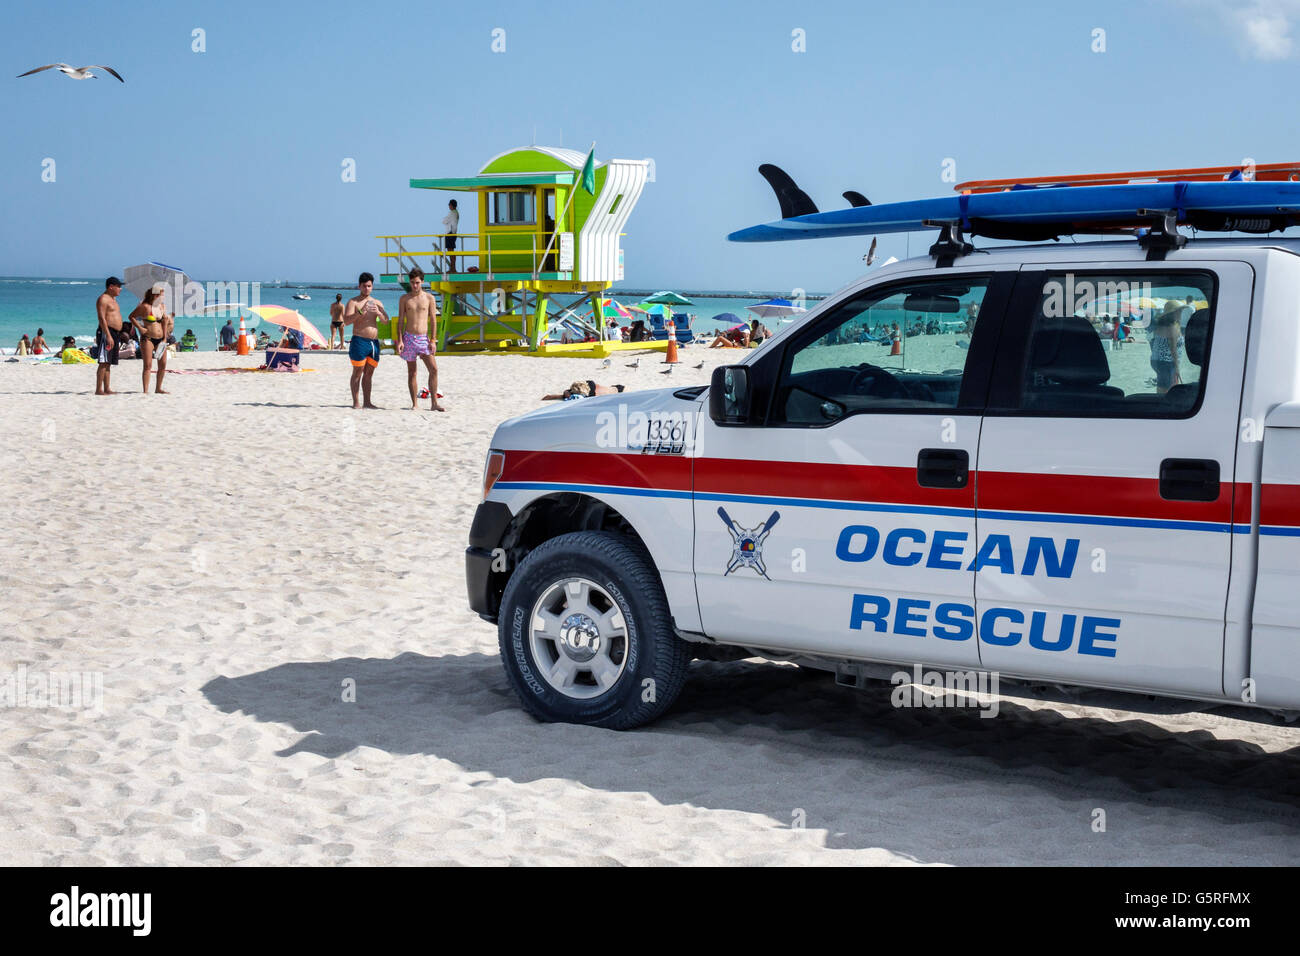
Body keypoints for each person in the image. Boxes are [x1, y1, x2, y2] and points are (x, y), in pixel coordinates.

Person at [397, 267, 444, 411]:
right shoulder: (405, 299)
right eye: (412, 283)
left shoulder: (429, 298)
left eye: (417, 282)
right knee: (412, 372)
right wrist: (400, 340)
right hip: (409, 338)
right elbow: (400, 320)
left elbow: (434, 320)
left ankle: (434, 403)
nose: (415, 285)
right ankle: (415, 404)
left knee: (434, 369)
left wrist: (433, 340)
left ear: (422, 282)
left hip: (424, 339)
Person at [343, 271, 388, 409]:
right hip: (359, 340)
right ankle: (356, 402)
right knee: (358, 372)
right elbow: (346, 321)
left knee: (369, 374)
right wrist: (360, 311)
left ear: (372, 286)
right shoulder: (353, 302)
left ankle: (367, 402)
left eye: (369, 286)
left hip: (373, 343)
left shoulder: (377, 303)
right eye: (364, 286)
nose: (367, 288)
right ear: (359, 286)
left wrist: (379, 313)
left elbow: (386, 321)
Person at [129, 283, 172, 394]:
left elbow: (163, 322)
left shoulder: (162, 306)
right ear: (155, 295)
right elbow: (131, 316)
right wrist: (140, 328)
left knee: (162, 365)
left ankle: (158, 388)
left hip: (161, 340)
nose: (163, 297)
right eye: (162, 295)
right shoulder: (145, 306)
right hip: (148, 339)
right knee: (148, 365)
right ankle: (146, 391)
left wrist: (165, 337)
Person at [95, 276, 125, 395]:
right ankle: (98, 389)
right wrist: (108, 335)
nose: (120, 289)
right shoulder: (103, 299)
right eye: (118, 287)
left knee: (108, 362)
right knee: (103, 361)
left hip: (115, 333)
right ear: (111, 287)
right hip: (106, 332)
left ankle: (107, 388)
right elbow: (101, 318)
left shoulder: (113, 299)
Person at [1149, 301, 1183, 395]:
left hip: (1157, 361)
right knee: (1164, 392)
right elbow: (1173, 350)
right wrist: (1177, 367)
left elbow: (1153, 343)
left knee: (1163, 387)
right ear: (1172, 314)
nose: (1180, 313)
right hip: (1167, 363)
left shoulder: (1160, 326)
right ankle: (1160, 407)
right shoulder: (1172, 328)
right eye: (1178, 311)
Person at [542, 380, 626, 401]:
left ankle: (552, 396)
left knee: (568, 393)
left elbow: (565, 393)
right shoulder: (616, 389)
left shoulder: (611, 389)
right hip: (591, 391)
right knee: (567, 394)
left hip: (587, 387)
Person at [442, 199, 459, 273]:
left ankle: (453, 269)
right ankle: (453, 268)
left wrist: (445, 219)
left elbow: (444, 221)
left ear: (452, 205)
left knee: (450, 251)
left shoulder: (452, 213)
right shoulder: (456, 213)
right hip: (453, 233)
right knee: (451, 251)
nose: (449, 206)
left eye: (449, 205)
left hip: (450, 233)